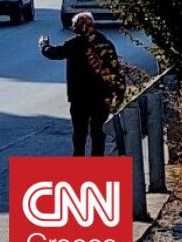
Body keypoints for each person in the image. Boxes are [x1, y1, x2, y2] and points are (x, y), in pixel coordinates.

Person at [39, 12, 124, 156]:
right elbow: (116, 71)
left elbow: (53, 53)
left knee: (79, 133)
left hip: (79, 98)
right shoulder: (105, 44)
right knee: (98, 132)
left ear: (75, 29)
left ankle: (79, 161)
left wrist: (43, 44)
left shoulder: (73, 44)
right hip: (101, 97)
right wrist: (117, 94)